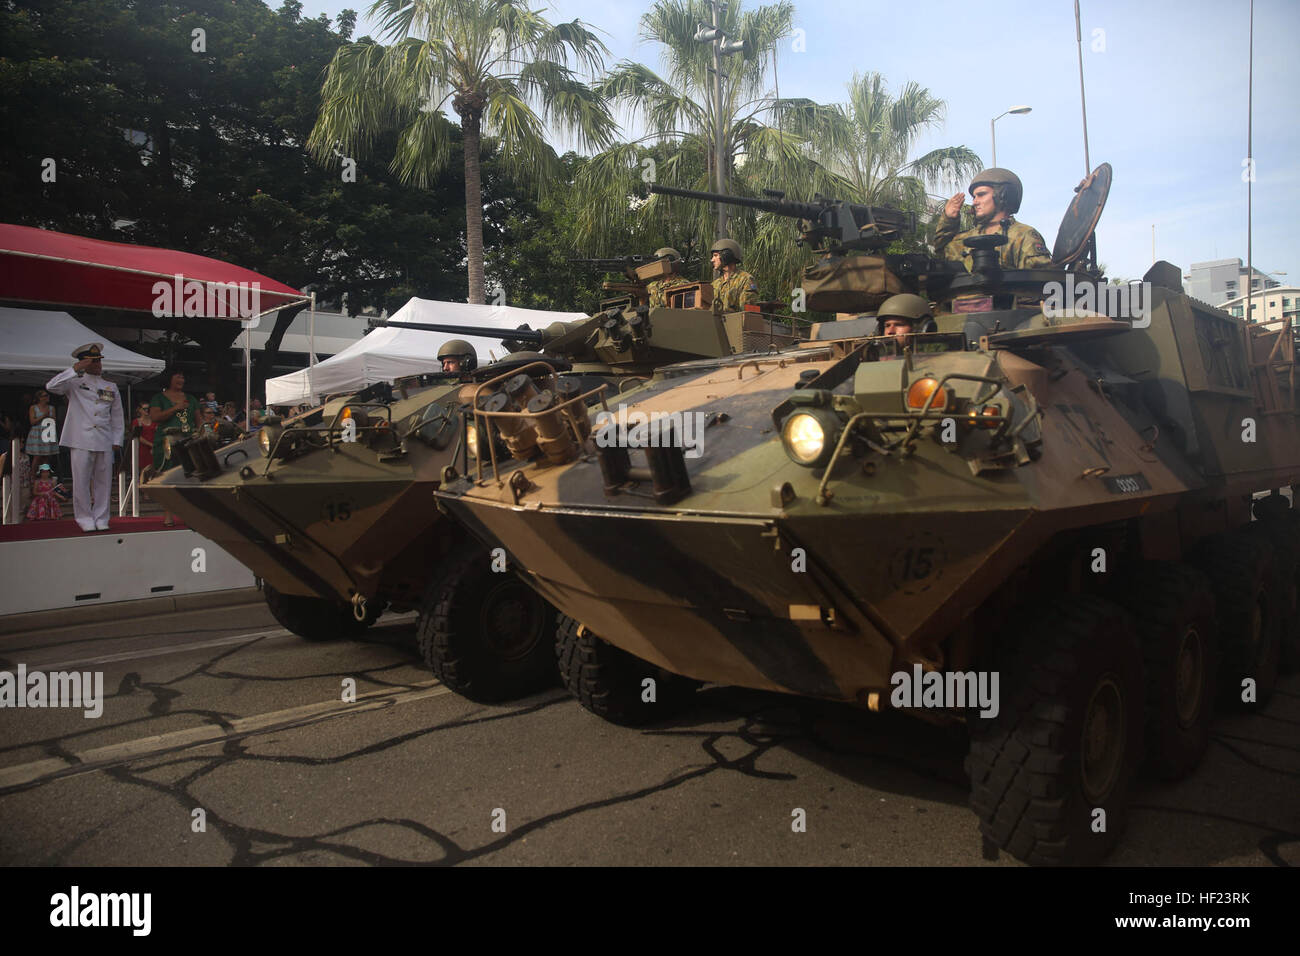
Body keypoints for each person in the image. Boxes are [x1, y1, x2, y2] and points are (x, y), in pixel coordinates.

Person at [45, 343, 124, 532]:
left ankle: (102, 517)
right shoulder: (74, 383)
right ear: (84, 362)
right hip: (81, 439)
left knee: (103, 482)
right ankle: (84, 518)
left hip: (104, 438)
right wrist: (74, 369)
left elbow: (117, 415)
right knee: (81, 481)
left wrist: (116, 440)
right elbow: (51, 386)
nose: (98, 365)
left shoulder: (110, 386)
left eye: (99, 361)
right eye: (94, 361)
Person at [932, 168, 1052, 271]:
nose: (974, 202)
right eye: (974, 197)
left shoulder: (1024, 235)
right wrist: (949, 220)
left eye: (981, 194)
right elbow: (942, 254)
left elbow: (1040, 279)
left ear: (1002, 195)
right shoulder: (967, 238)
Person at [709, 239, 758, 316]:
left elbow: (748, 310)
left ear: (726, 256)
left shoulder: (746, 280)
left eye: (715, 255)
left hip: (735, 325)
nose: (712, 260)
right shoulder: (714, 284)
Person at [25, 388, 59, 474]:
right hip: (37, 432)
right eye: (45, 395)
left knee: (46, 457)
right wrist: (44, 416)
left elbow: (54, 421)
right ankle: (32, 476)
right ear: (40, 398)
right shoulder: (33, 408)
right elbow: (32, 421)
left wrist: (50, 418)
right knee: (37, 456)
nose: (48, 397)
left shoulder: (51, 408)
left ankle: (45, 476)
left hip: (48, 432)